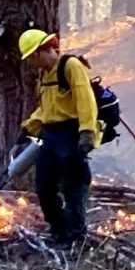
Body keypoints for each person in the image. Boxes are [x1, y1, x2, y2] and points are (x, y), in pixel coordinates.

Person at [16, 28, 98, 247]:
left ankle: (76, 237)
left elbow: (85, 100)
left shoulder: (71, 67)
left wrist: (87, 132)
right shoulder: (44, 75)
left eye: (32, 56)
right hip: (50, 136)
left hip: (71, 133)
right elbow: (45, 109)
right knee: (44, 187)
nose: (32, 62)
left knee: (74, 187)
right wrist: (29, 128)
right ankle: (59, 232)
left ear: (42, 51)